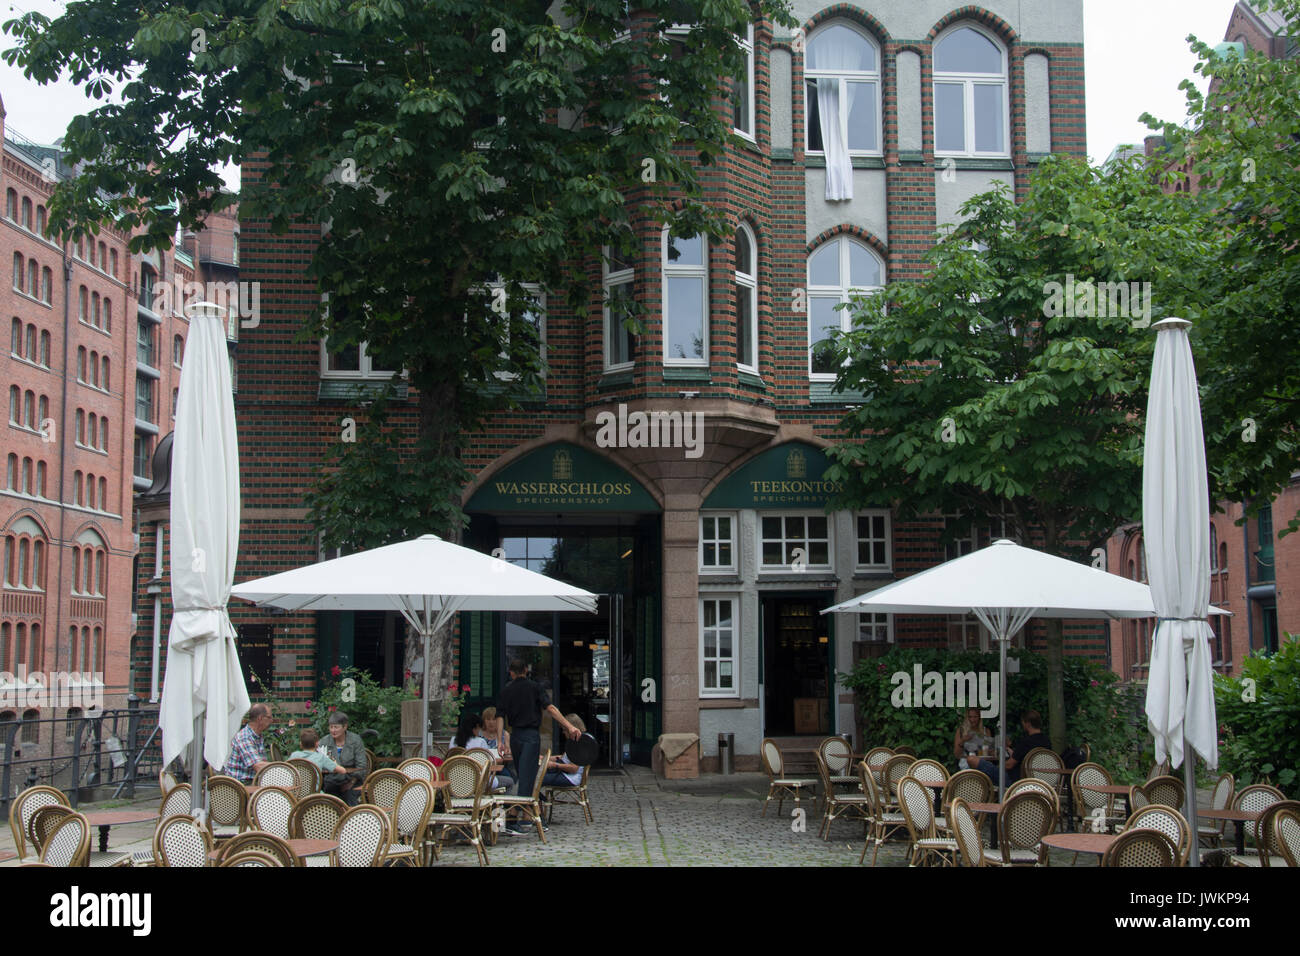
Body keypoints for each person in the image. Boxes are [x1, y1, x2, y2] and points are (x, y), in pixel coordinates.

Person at [497, 658, 581, 807]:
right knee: (527, 776)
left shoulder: (506, 690)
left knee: (523, 774)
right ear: (526, 670)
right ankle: (525, 815)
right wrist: (569, 726)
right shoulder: (535, 687)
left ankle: (523, 812)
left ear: (511, 673)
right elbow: (550, 709)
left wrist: (500, 741)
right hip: (531, 736)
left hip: (515, 735)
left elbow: (499, 717)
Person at [976, 709, 1051, 787]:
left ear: (1028, 724)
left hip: (1017, 781)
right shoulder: (1047, 741)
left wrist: (997, 767)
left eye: (1023, 722)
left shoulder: (1026, 742)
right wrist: (1013, 753)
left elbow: (1009, 765)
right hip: (1040, 782)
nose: (1022, 725)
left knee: (974, 761)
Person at [321, 711, 367, 806]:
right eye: (331, 727)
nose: (333, 730)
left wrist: (351, 782)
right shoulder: (324, 741)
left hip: (353, 780)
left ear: (345, 727)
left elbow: (362, 766)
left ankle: (352, 818)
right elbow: (319, 766)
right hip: (331, 781)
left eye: (336, 727)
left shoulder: (355, 740)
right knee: (329, 797)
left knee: (350, 796)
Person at [223, 703, 273, 784]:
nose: (272, 721)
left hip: (251, 782)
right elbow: (259, 766)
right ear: (260, 718)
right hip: (240, 785)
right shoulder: (245, 737)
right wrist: (283, 769)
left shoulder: (257, 736)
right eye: (269, 717)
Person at [541, 714, 588, 788]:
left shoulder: (578, 745)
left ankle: (538, 798)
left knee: (539, 779)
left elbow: (574, 768)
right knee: (537, 775)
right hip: (567, 774)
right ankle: (539, 798)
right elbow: (563, 758)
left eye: (565, 730)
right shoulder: (574, 742)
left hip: (571, 777)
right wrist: (544, 758)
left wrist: (554, 765)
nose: (563, 732)